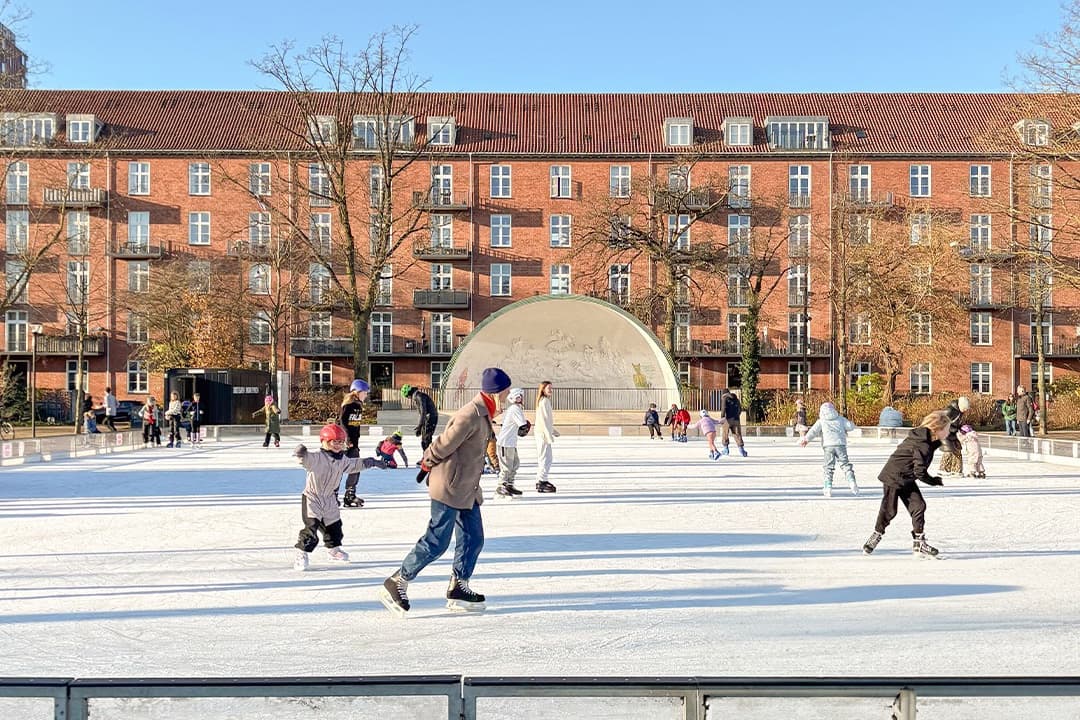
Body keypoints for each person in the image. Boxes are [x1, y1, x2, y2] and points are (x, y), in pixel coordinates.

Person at [379, 366, 511, 615]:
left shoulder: (484, 414)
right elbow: (443, 443)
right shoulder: (470, 414)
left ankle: (458, 587)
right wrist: (427, 461)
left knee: (473, 538)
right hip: (450, 487)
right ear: (495, 392)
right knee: (437, 542)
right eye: (505, 391)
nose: (507, 396)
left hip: (467, 489)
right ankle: (397, 581)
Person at [862, 410, 950, 558]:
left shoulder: (925, 438)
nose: (948, 432)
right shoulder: (922, 443)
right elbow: (920, 471)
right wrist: (933, 481)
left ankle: (919, 543)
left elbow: (931, 446)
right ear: (938, 429)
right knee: (890, 510)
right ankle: (875, 536)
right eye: (947, 429)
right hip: (893, 476)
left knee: (919, 506)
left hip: (907, 477)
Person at [291, 423, 376, 571]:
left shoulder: (342, 460)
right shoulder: (317, 458)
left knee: (334, 527)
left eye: (340, 442)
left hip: (329, 498)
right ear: (324, 442)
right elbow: (304, 460)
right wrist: (300, 454)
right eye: (334, 442)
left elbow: (354, 465)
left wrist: (370, 462)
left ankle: (333, 550)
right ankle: (302, 552)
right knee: (311, 526)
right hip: (313, 497)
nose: (338, 445)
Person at [800, 401, 859, 497]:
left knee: (828, 467)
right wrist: (851, 423)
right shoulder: (840, 419)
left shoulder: (821, 421)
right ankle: (852, 482)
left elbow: (813, 431)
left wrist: (806, 439)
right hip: (840, 445)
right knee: (845, 464)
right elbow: (850, 426)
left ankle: (828, 487)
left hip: (828, 446)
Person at [339, 379, 370, 507]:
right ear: (357, 392)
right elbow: (342, 423)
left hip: (354, 444)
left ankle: (350, 495)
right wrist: (347, 439)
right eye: (365, 392)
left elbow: (355, 427)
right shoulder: (348, 406)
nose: (366, 395)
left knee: (356, 468)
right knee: (337, 470)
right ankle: (331, 495)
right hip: (344, 443)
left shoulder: (358, 407)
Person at [495, 387, 529, 497]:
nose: (521, 398)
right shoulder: (515, 409)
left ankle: (509, 484)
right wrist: (525, 427)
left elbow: (521, 428)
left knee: (514, 464)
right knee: (506, 466)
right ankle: (501, 486)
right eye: (519, 396)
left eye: (521, 396)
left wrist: (523, 429)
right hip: (505, 442)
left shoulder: (516, 408)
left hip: (511, 442)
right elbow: (522, 425)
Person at [534, 380, 559, 493]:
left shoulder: (545, 401)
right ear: (543, 389)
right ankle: (541, 481)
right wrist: (548, 435)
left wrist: (553, 430)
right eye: (549, 388)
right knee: (544, 458)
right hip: (542, 434)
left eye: (551, 388)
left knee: (547, 458)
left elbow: (546, 420)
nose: (551, 390)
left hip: (544, 433)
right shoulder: (543, 402)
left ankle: (542, 479)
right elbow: (543, 421)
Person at [401, 384, 438, 453]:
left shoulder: (418, 396)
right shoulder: (418, 395)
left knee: (426, 441)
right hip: (428, 418)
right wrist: (420, 426)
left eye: (407, 397)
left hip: (430, 418)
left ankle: (429, 459)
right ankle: (426, 458)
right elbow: (422, 413)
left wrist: (419, 426)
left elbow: (423, 411)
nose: (409, 398)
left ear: (408, 394)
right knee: (424, 440)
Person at [938, 396, 969, 476]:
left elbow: (956, 423)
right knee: (949, 450)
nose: (965, 411)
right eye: (965, 408)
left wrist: (961, 428)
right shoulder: (949, 410)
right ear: (960, 406)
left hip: (953, 433)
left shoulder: (960, 412)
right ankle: (943, 469)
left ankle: (956, 470)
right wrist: (952, 428)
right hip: (945, 434)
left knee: (957, 450)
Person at [719, 389, 747, 456]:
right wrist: (736, 416)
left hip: (727, 419)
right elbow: (740, 409)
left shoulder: (725, 398)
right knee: (737, 434)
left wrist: (722, 417)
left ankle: (726, 449)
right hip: (736, 419)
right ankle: (741, 450)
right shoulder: (736, 399)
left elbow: (723, 408)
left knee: (725, 433)